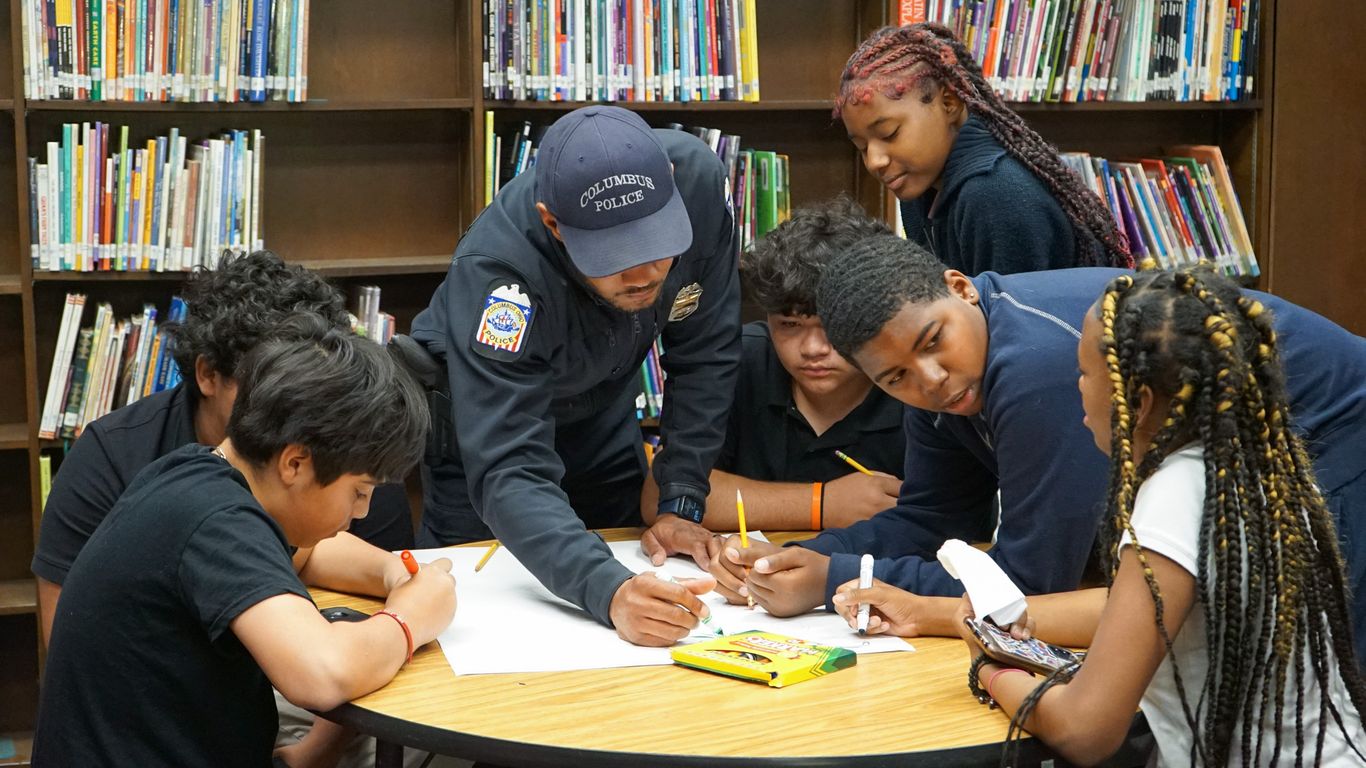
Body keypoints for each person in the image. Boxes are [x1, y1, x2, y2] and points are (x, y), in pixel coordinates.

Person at [711, 235, 1366, 664]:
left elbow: (1030, 582)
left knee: (1313, 670)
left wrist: (835, 583)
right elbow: (934, 521)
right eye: (895, 378)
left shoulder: (1037, 365)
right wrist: (801, 558)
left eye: (934, 341)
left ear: (963, 288)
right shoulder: (939, 387)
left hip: (1339, 445)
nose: (930, 380)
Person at [838, 267, 1366, 766]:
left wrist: (991, 667)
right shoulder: (1238, 465)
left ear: (1135, 401)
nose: (1076, 388)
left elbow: (1084, 731)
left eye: (1083, 373)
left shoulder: (1175, 496)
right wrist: (952, 617)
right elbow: (1135, 607)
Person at [29, 250, 419, 766]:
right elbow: (325, 671)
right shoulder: (215, 517)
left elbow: (300, 555)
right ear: (295, 461)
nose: (364, 512)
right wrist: (412, 616)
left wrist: (394, 571)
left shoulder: (195, 473)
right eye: (358, 493)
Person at [409, 105, 737, 646]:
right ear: (553, 224)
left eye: (657, 244)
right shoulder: (500, 275)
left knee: (638, 606)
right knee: (488, 628)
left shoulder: (698, 182)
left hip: (602, 410)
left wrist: (680, 498)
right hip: (486, 430)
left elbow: (706, 351)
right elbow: (508, 467)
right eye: (613, 257)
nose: (645, 274)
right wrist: (606, 589)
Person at [641, 196, 904, 532]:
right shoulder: (734, 361)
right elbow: (661, 498)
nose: (812, 349)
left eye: (832, 326)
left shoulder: (911, 380)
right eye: (789, 325)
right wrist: (821, 504)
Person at [837, 23, 1132, 275]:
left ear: (949, 103)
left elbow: (1015, 333)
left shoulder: (995, 195)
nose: (875, 161)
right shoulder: (918, 184)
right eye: (862, 147)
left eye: (889, 133)